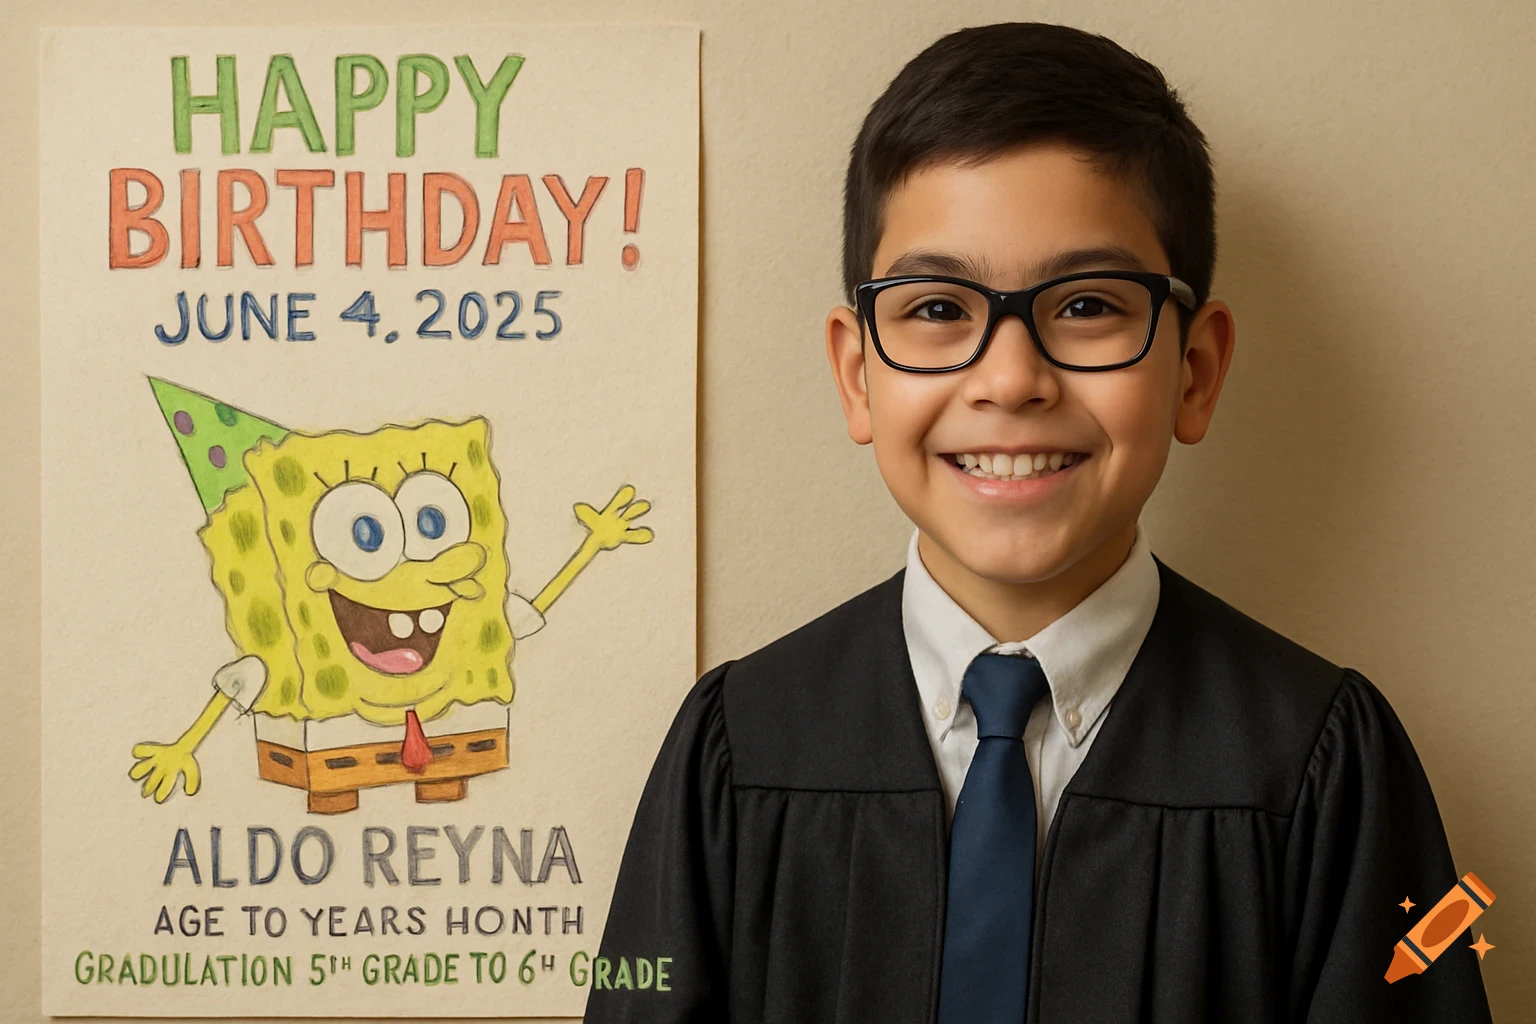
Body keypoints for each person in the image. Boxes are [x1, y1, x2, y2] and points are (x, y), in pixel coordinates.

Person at [584, 21, 1495, 1024]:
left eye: (1088, 305)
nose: (1011, 379)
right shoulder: (735, 751)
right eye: (937, 309)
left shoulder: (1331, 766)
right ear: (856, 375)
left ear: (1194, 371)